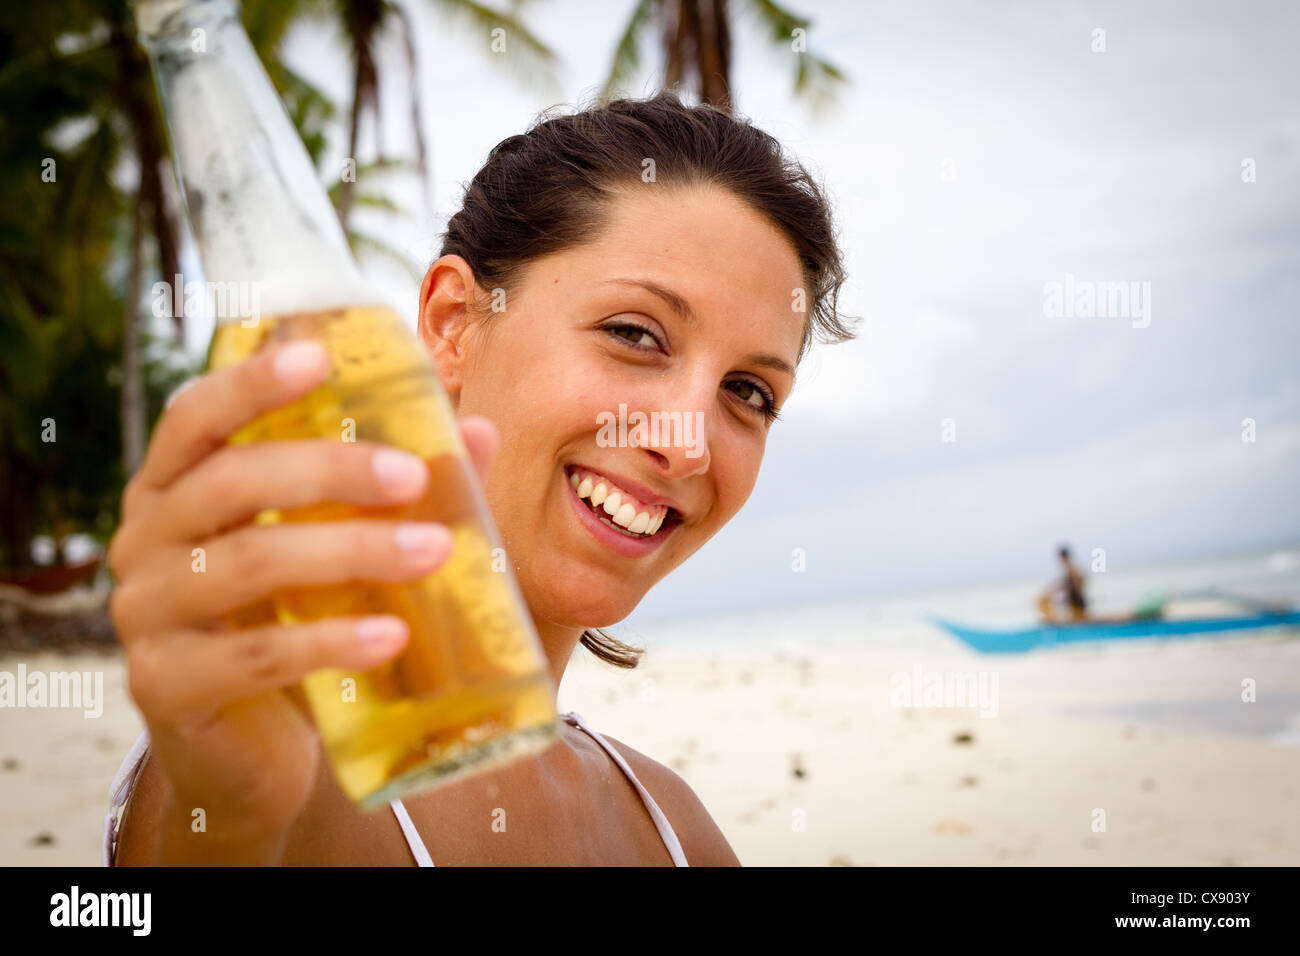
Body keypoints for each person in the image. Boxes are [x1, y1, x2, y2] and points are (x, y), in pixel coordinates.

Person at [102, 92, 854, 866]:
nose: (688, 444)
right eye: (635, 334)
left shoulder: (673, 827)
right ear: (454, 323)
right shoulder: (277, 776)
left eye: (749, 392)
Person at [1037, 545, 1088, 622]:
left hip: (1076, 599)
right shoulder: (1071, 567)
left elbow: (1078, 581)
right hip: (1076, 598)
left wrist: (1070, 590)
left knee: (1079, 619)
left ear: (1063, 557)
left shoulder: (1070, 567)